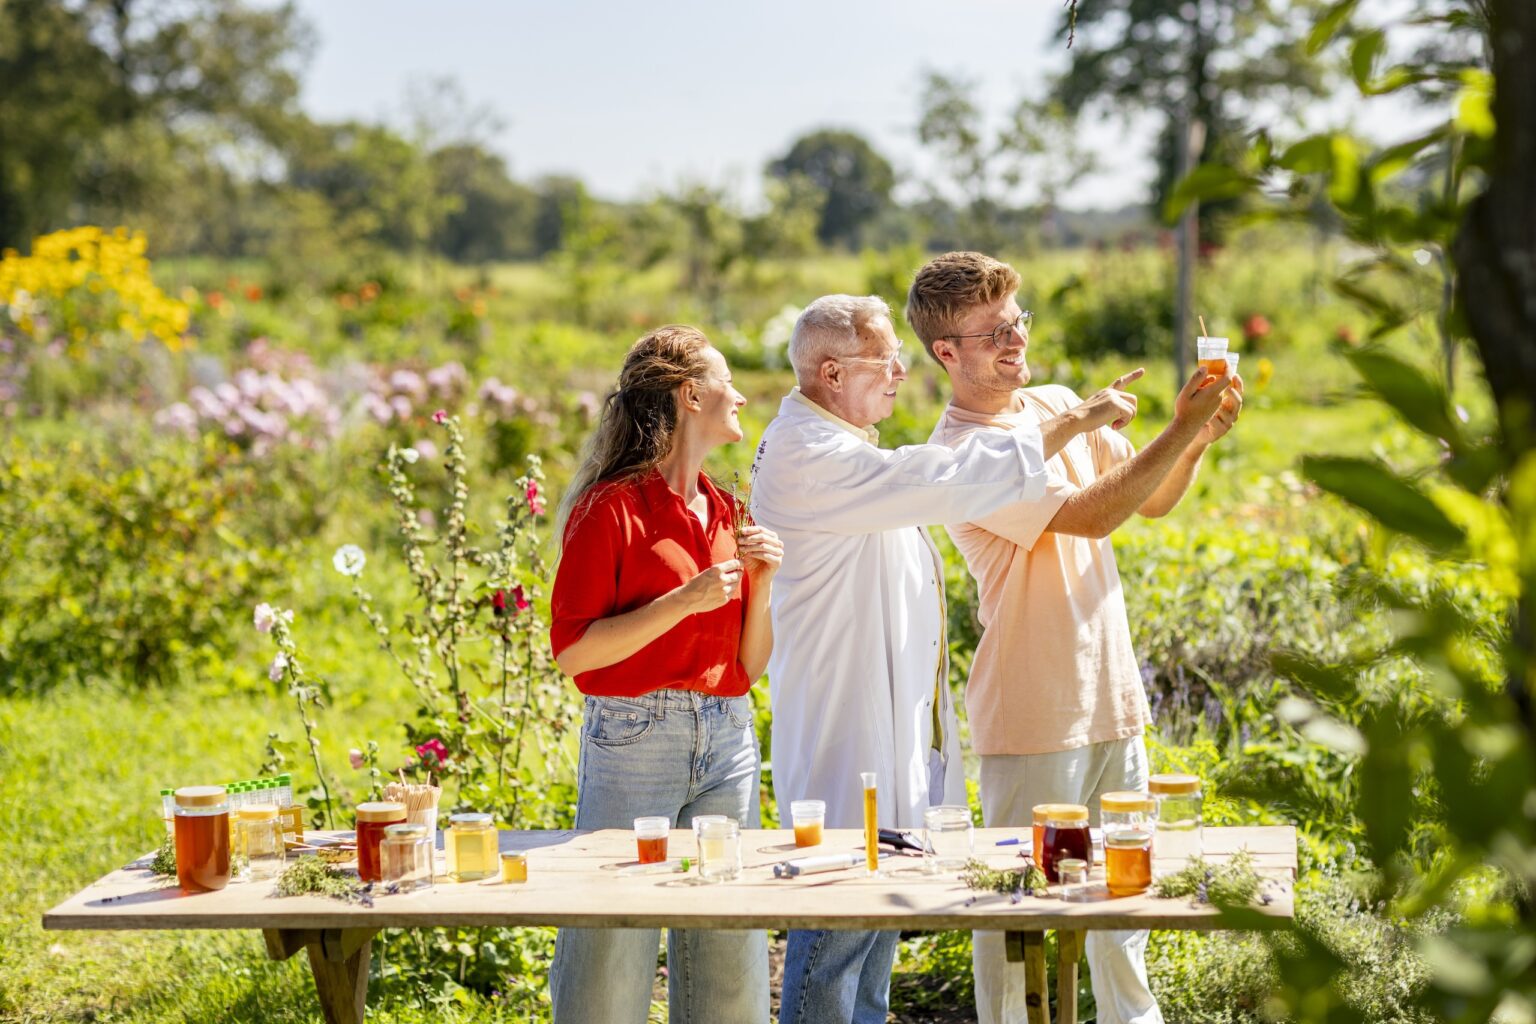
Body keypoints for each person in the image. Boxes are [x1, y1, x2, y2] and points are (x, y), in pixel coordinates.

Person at [750, 294, 1138, 1024]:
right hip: (844, 731)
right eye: (884, 359)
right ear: (831, 372)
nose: (902, 370)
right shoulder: (812, 456)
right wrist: (1075, 422)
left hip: (880, 730)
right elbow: (940, 478)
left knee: (873, 936)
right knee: (837, 929)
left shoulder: (845, 442)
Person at [908, 251, 1242, 1024]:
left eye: (1016, 321)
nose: (1013, 340)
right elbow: (1089, 514)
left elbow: (1147, 501)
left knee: (1124, 911)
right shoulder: (959, 454)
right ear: (945, 353)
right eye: (989, 332)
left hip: (1111, 698)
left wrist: (1195, 440)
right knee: (1018, 921)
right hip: (1032, 714)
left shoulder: (1055, 403)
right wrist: (1178, 425)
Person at [547, 325, 782, 1024]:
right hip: (635, 737)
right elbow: (574, 653)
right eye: (727, 380)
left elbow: (749, 665)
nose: (740, 395)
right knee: (612, 947)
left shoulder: (727, 508)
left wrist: (762, 586)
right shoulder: (611, 507)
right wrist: (683, 601)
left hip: (730, 737)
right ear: (690, 396)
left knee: (729, 952)